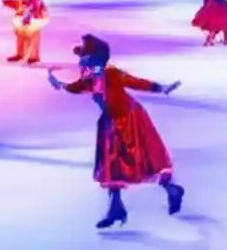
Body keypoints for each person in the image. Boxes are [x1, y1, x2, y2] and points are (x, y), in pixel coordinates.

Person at [48, 35, 185, 229]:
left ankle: (172, 190)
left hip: (130, 119)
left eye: (84, 57)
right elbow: (78, 87)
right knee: (111, 165)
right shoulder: (90, 76)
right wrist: (59, 84)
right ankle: (115, 207)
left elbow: (135, 82)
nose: (80, 61)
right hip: (111, 121)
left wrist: (161, 88)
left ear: (95, 59)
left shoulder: (111, 74)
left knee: (142, 161)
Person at [5, 0, 48, 64]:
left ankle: (34, 56)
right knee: (20, 32)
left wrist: (28, 14)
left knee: (33, 33)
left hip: (34, 12)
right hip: (25, 10)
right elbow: (23, 0)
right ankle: (20, 53)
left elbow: (33, 1)